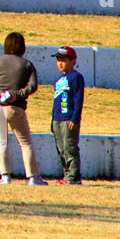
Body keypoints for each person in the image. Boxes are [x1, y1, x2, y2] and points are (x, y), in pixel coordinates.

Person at [0, 32, 45, 185]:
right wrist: (16, 95)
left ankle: (5, 176)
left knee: (1, 141)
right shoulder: (27, 64)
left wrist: (0, 93)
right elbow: (32, 86)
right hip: (15, 107)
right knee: (25, 142)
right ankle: (33, 176)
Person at [50, 46, 85, 184]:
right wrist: (53, 120)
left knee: (69, 147)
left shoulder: (76, 77)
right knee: (61, 149)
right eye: (58, 59)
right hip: (58, 119)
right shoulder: (60, 79)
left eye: (63, 59)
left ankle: (74, 176)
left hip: (68, 119)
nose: (60, 62)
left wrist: (75, 118)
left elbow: (78, 99)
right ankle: (66, 175)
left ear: (72, 60)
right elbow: (56, 101)